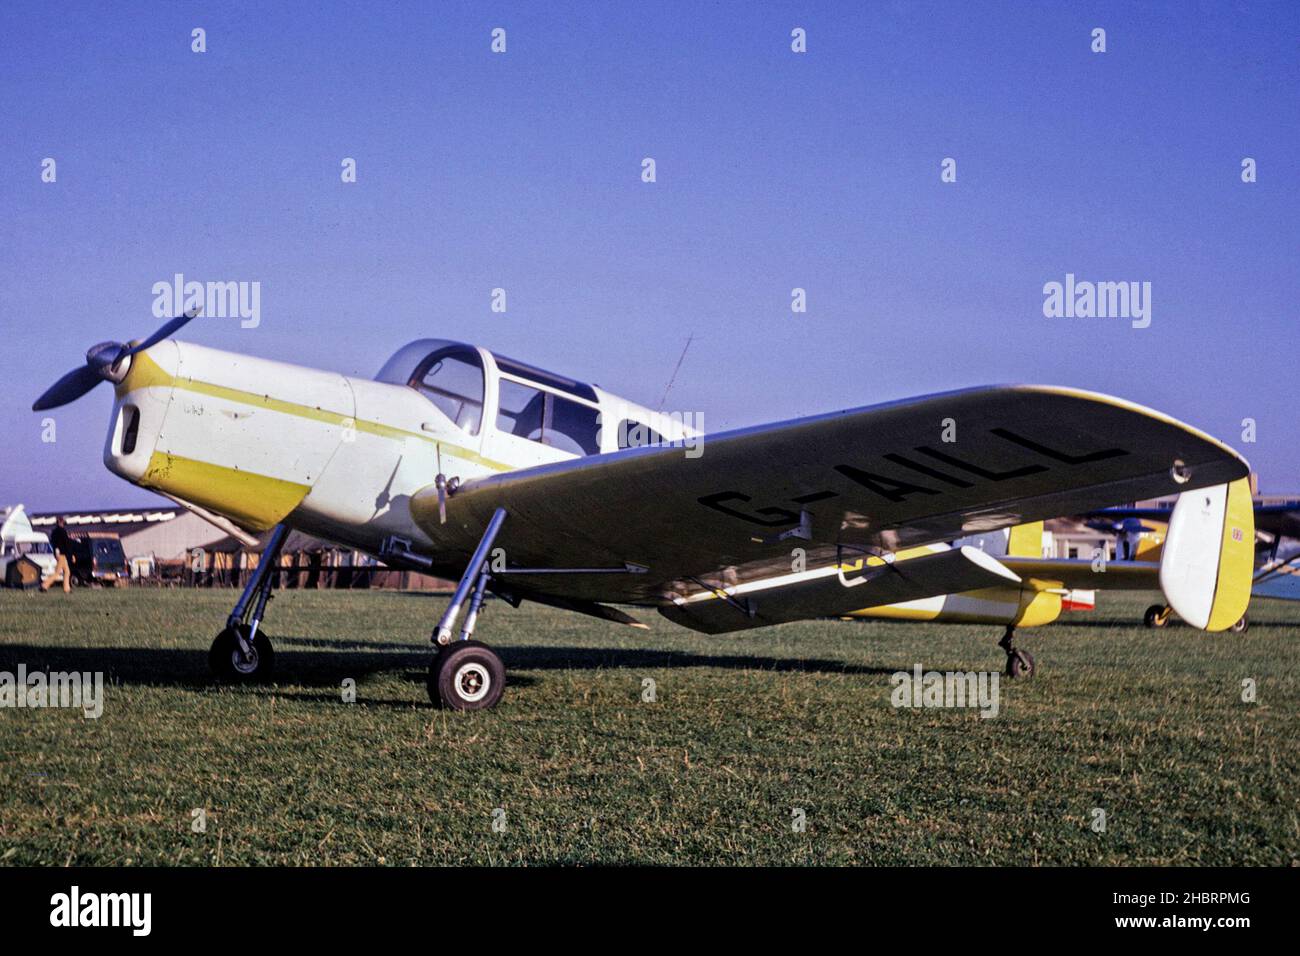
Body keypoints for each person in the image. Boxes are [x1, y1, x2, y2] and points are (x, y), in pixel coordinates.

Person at [40, 516, 73, 593]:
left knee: (67, 571)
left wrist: (56, 552)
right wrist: (70, 553)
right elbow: (66, 543)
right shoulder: (62, 531)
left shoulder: (54, 532)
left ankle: (67, 589)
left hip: (58, 553)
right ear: (62, 522)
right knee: (57, 572)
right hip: (62, 554)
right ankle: (44, 585)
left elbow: (54, 542)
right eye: (63, 522)